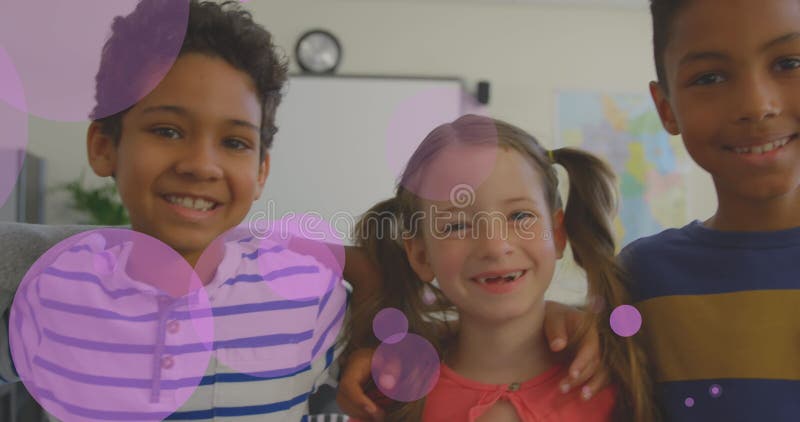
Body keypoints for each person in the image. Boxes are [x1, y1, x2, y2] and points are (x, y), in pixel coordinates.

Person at [0, 1, 375, 420]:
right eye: (167, 130)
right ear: (105, 147)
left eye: (235, 142)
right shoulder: (54, 295)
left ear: (260, 171)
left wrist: (373, 339)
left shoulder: (307, 295)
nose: (200, 165)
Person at [344, 115, 656, 421]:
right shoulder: (389, 397)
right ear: (422, 255)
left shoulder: (621, 375)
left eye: (520, 216)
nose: (495, 246)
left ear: (558, 233)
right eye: (456, 225)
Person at [622, 0, 800, 420]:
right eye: (710, 77)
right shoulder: (640, 278)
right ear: (666, 107)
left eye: (789, 62)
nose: (757, 106)